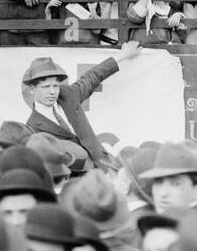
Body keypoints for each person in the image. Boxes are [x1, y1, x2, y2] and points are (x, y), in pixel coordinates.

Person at [22, 39, 142, 169]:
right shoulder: (33, 127)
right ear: (32, 89)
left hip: (105, 166)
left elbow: (92, 77)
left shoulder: (67, 94)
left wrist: (122, 56)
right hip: (77, 178)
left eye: (55, 86)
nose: (52, 92)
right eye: (46, 87)